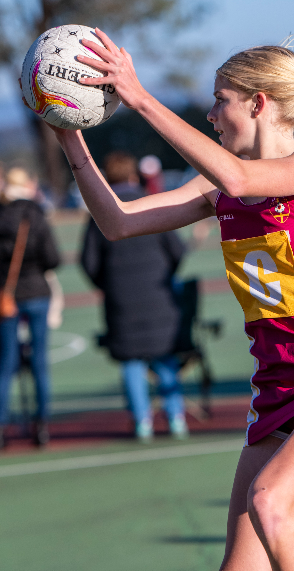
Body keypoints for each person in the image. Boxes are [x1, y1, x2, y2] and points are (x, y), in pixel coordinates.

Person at [25, 12, 294, 570]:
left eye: (220, 100)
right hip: (277, 385)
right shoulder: (216, 187)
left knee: (271, 501)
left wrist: (138, 96)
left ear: (258, 103)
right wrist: (70, 136)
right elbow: (118, 222)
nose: (210, 115)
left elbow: (242, 179)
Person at [80, 151, 189, 441]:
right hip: (158, 294)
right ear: (133, 175)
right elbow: (177, 250)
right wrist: (165, 275)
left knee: (131, 361)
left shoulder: (99, 211)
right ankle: (176, 417)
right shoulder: (148, 204)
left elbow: (88, 261)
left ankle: (142, 421)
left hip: (120, 298)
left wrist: (107, 283)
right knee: (165, 356)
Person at [0, 168, 61, 450]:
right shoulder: (35, 213)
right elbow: (52, 258)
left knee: (6, 363)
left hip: (4, 295)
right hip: (36, 292)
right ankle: (42, 426)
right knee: (39, 362)